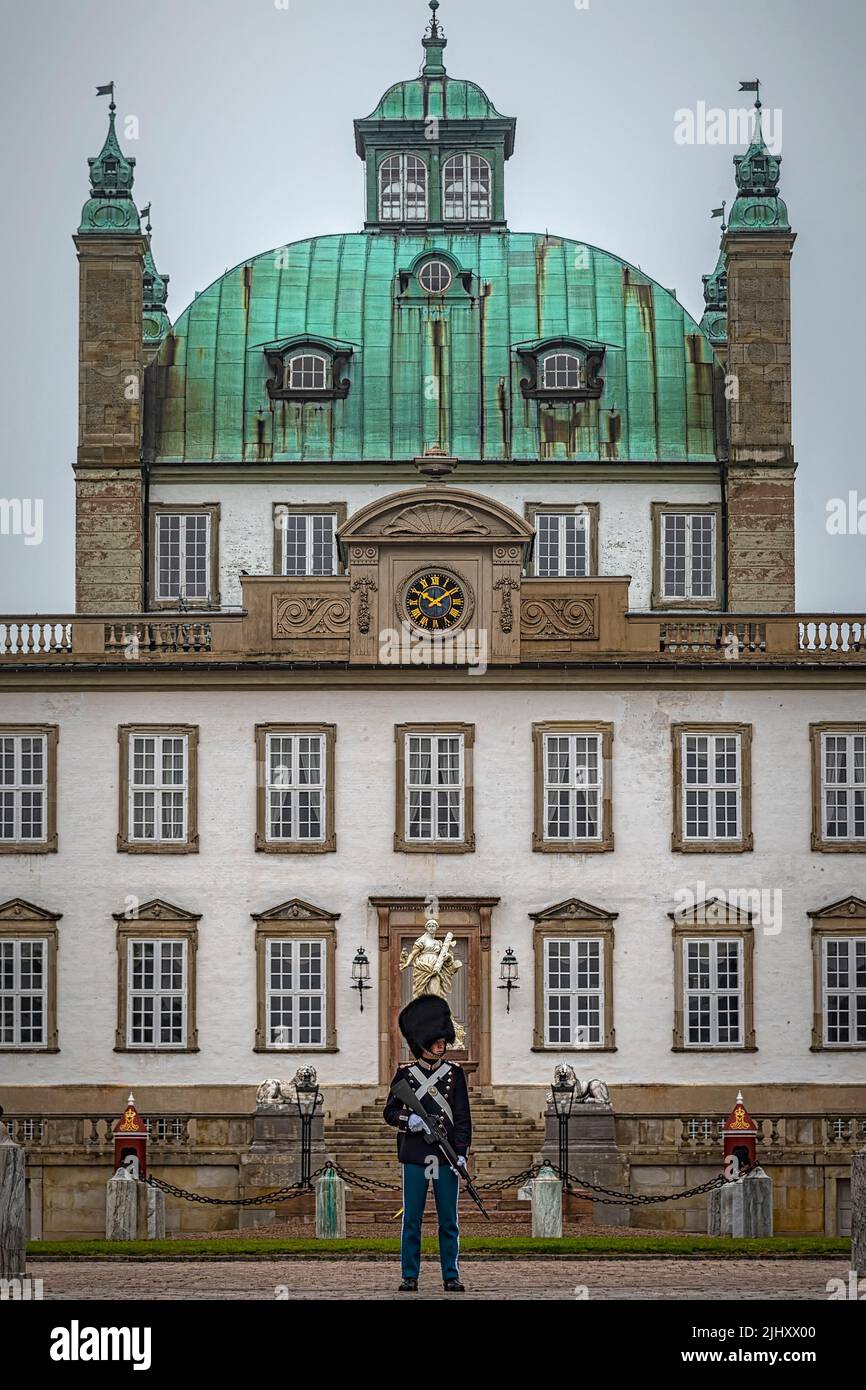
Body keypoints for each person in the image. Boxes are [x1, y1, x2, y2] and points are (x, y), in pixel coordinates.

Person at [383, 995, 472, 1292]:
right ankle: (410, 1274)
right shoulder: (405, 1075)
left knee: (448, 1220)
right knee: (412, 1220)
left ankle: (451, 1274)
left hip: (445, 1156)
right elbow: (390, 1112)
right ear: (421, 1041)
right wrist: (410, 1122)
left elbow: (462, 1118)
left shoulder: (455, 1075)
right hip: (415, 1153)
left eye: (442, 1040)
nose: (441, 1044)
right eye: (435, 1040)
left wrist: (461, 1154)